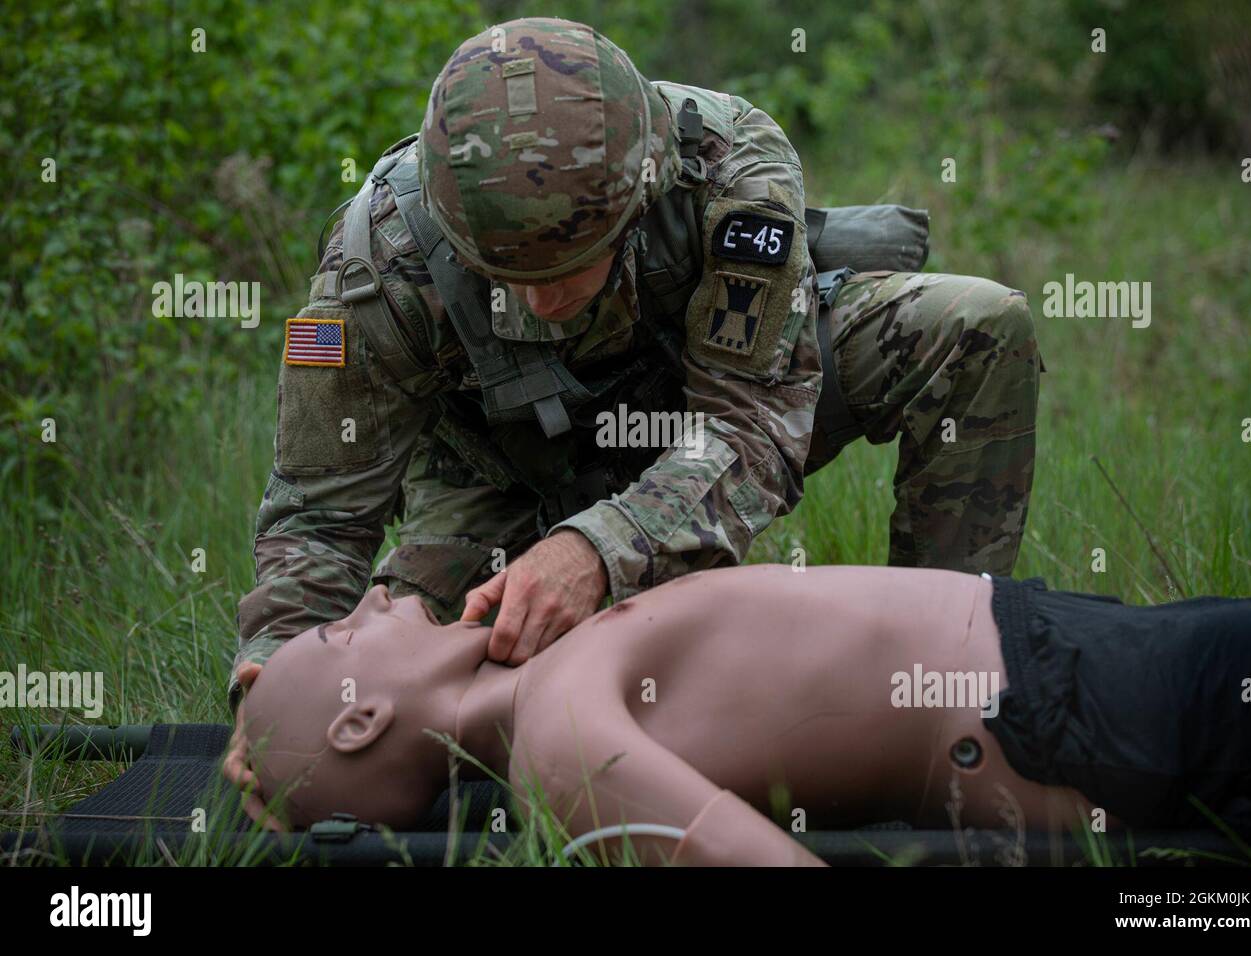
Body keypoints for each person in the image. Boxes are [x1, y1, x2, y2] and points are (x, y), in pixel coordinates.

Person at [230, 17, 1039, 745]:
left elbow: (752, 429)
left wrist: (596, 550)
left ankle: (947, 679)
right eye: (505, 277)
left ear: (642, 195)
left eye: (572, 269)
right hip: (501, 476)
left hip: (705, 406)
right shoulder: (377, 263)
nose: (544, 302)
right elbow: (319, 516)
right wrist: (274, 684)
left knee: (975, 326)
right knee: (395, 697)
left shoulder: (727, 168)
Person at [227, 566, 1251, 866]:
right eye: (342, 634)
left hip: (1087, 655)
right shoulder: (559, 737)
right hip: (1078, 705)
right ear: (362, 720)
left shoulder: (551, 668)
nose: (369, 599)